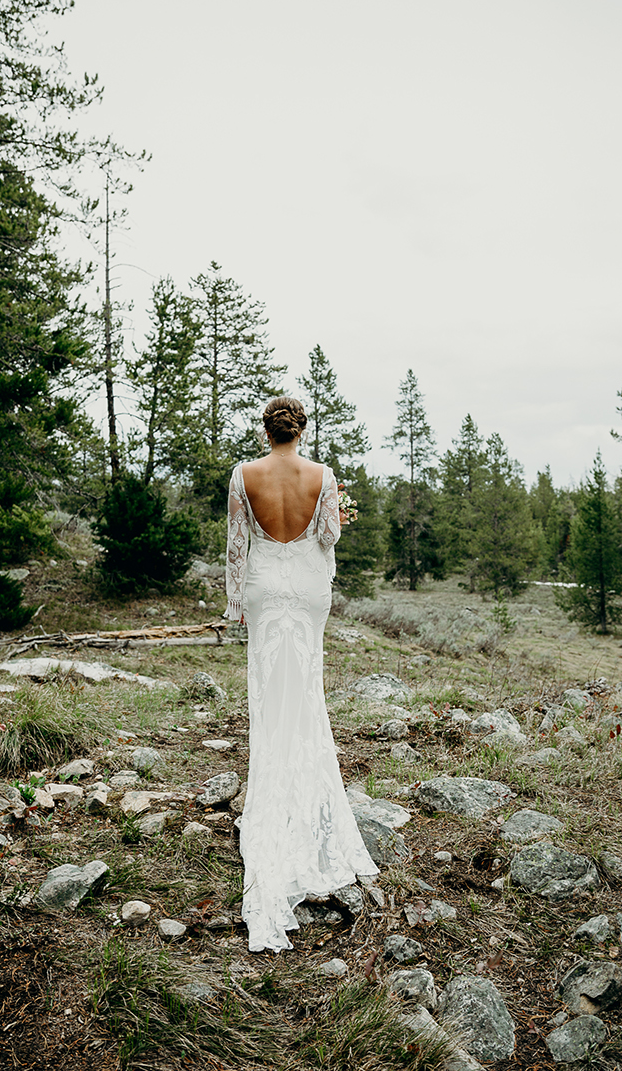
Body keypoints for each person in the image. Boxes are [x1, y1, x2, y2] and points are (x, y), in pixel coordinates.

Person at [224, 397, 378, 952]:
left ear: (266, 431)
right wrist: (335, 512)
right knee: (305, 691)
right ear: (301, 429)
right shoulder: (323, 475)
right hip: (308, 590)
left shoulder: (244, 475)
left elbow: (238, 545)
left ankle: (274, 787)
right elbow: (329, 538)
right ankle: (305, 796)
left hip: (266, 588)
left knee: (271, 694)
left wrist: (234, 602)